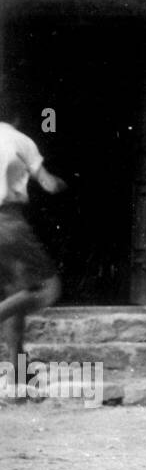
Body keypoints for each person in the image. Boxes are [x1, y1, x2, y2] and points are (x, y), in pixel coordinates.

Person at [0, 118, 65, 388]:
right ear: (16, 118)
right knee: (49, 289)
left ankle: (18, 383)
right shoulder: (20, 140)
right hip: (8, 223)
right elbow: (48, 183)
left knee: (17, 293)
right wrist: (64, 183)